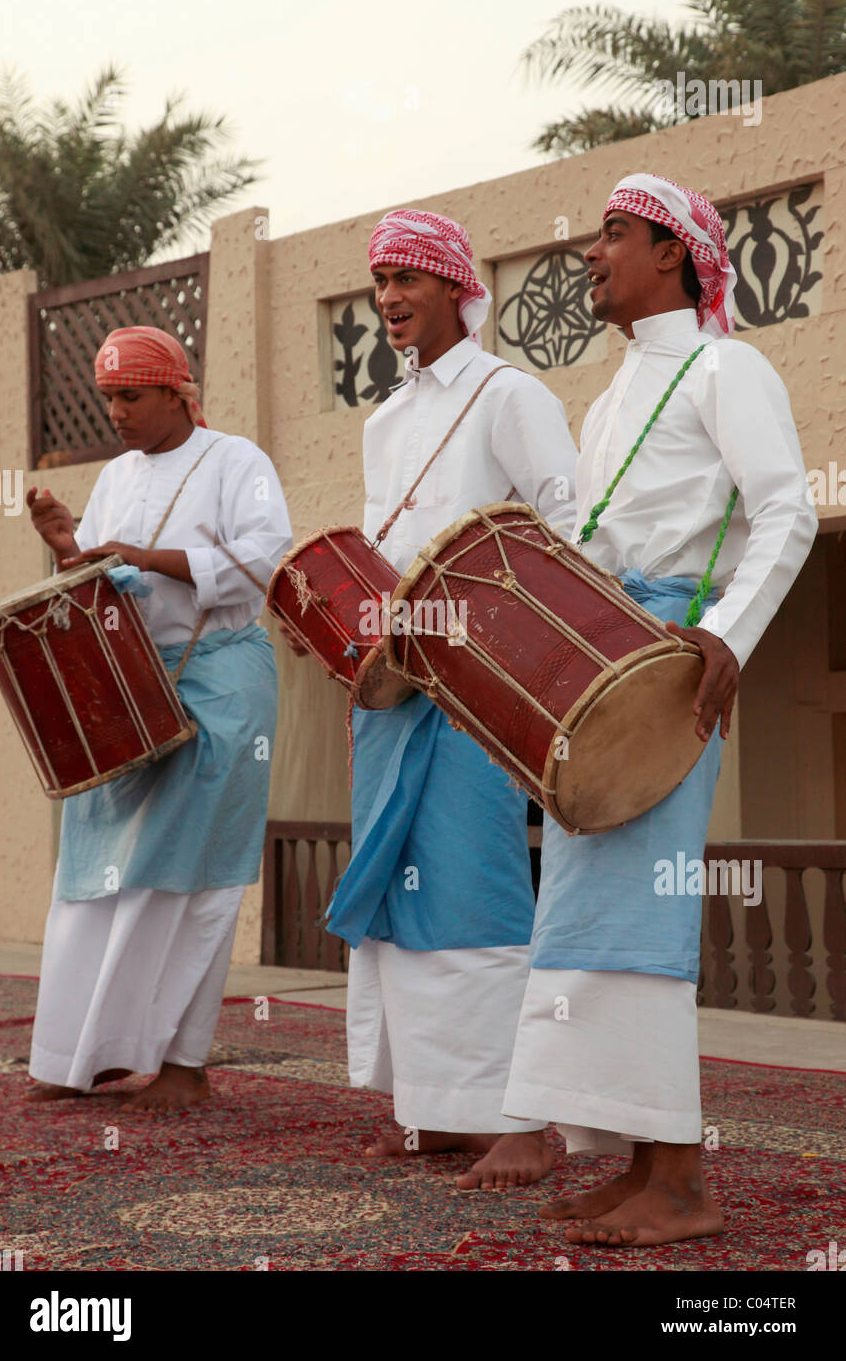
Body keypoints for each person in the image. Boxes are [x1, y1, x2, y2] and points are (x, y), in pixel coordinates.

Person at [502, 174, 817, 1242]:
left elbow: (785, 507)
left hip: (670, 665)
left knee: (637, 913)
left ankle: (680, 1180)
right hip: (603, 664)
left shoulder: (725, 366)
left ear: (674, 254)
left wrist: (726, 631)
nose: (591, 253)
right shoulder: (606, 399)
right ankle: (640, 1161)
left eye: (614, 235)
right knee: (583, 915)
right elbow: (591, 551)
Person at [322, 208, 578, 1189]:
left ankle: (517, 1119)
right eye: (378, 280)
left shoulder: (509, 392)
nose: (388, 298)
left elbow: (566, 521)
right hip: (391, 686)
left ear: (456, 288)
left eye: (408, 279)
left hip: (480, 683)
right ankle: (432, 1109)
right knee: (397, 885)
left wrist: (502, 636)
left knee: (474, 884)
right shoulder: (383, 420)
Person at [26, 326, 292, 1111]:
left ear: (178, 394)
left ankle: (183, 1063)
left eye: (131, 396)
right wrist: (72, 547)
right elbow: (104, 579)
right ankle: (84, 1055)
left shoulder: (238, 460)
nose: (117, 411)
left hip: (224, 681)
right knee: (97, 865)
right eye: (108, 397)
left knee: (191, 877)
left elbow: (267, 558)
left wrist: (141, 556)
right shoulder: (115, 474)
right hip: (135, 684)